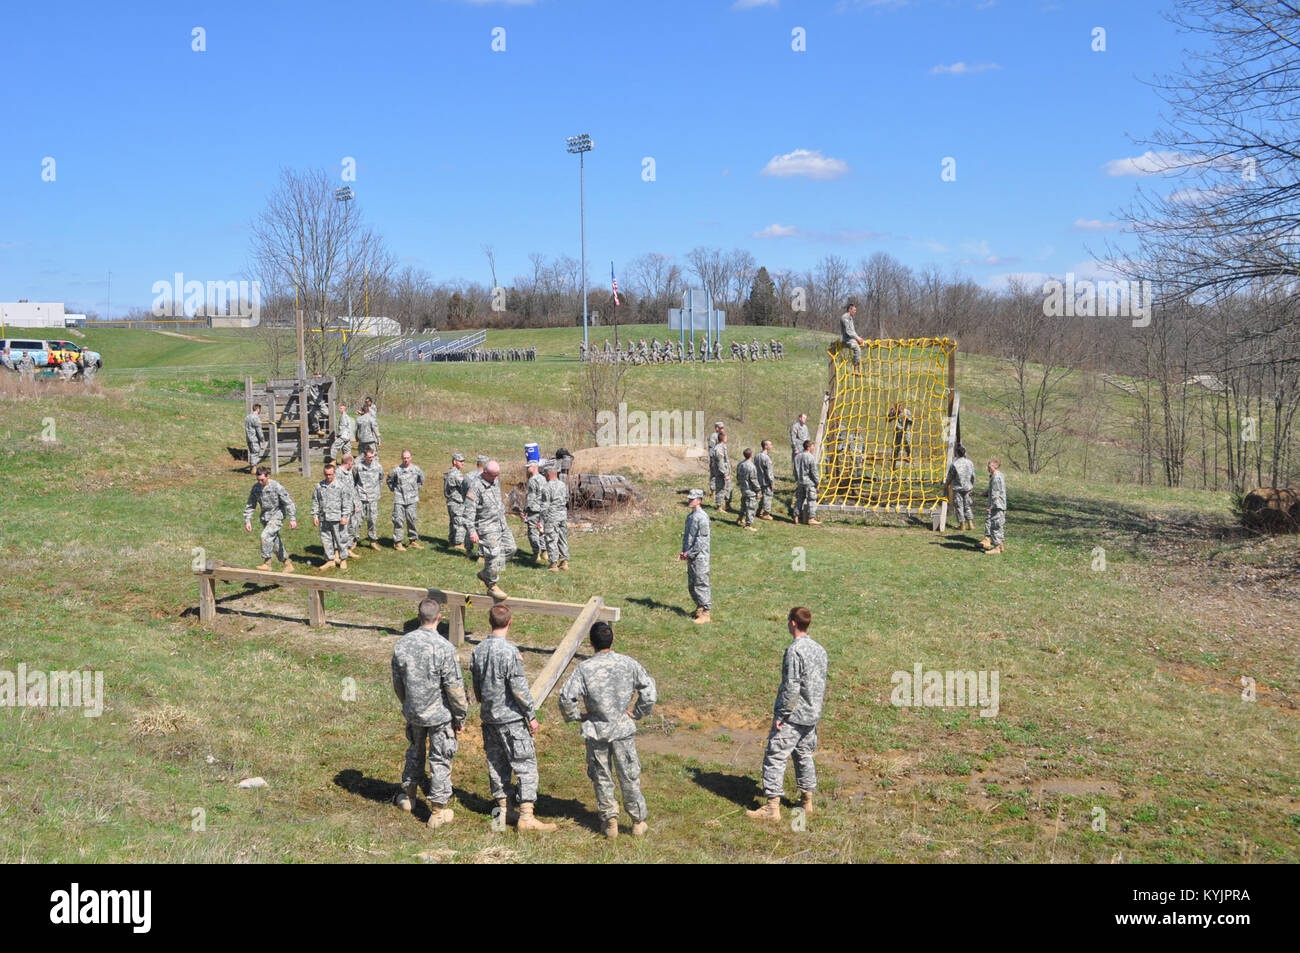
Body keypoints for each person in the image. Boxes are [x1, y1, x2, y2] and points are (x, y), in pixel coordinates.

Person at [558, 621, 657, 839]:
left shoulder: (584, 668)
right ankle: (638, 822)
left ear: (591, 643)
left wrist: (577, 716)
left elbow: (566, 697)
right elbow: (649, 692)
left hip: (597, 731)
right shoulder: (629, 664)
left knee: (602, 777)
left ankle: (610, 821)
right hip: (622, 730)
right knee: (629, 775)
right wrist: (638, 712)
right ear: (612, 640)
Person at [469, 604, 557, 832]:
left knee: (496, 767)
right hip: (511, 720)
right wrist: (531, 715)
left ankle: (501, 814)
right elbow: (519, 689)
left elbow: (476, 687)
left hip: (489, 719)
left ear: (490, 622)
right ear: (510, 622)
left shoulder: (478, 651)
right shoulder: (510, 652)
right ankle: (526, 817)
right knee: (525, 765)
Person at [392, 599, 469, 829]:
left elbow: (398, 682)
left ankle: (409, 797)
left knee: (414, 753)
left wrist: (407, 704)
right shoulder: (445, 648)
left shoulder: (402, 645)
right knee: (440, 758)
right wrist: (460, 716)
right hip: (440, 715)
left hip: (414, 711)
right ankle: (437, 811)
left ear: (418, 617)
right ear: (439, 618)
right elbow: (454, 688)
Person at [747, 607, 828, 822]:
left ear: (792, 622)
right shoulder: (820, 650)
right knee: (804, 756)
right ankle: (806, 801)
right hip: (812, 715)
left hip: (793, 716)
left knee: (775, 756)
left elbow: (791, 687)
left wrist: (781, 715)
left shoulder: (794, 651)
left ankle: (772, 808)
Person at [466, 460, 517, 600]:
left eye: (497, 475)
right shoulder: (475, 487)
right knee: (493, 555)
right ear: (485, 472)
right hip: (486, 526)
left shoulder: (495, 481)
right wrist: (472, 531)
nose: (495, 478)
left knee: (511, 549)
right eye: (493, 475)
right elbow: (468, 512)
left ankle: (486, 573)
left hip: (501, 523)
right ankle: (492, 584)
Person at [243, 466, 297, 571]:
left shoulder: (276, 486)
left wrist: (292, 518)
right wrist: (247, 520)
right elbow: (250, 504)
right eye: (258, 480)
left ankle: (267, 563)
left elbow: (288, 502)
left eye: (262, 480)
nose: (260, 482)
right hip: (265, 517)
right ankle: (288, 564)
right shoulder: (256, 488)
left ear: (268, 476)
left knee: (265, 536)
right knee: (275, 542)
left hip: (277, 515)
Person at [679, 489, 711, 623]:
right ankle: (699, 607)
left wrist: (689, 553)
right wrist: (684, 552)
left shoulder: (702, 517)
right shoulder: (691, 517)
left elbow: (701, 541)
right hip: (691, 556)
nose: (689, 501)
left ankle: (706, 612)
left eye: (692, 499)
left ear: (699, 500)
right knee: (692, 584)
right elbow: (688, 537)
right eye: (689, 499)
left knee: (701, 583)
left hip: (700, 557)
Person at [311, 461, 351, 571]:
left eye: (330, 474)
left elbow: (347, 503)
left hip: (338, 518)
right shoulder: (319, 486)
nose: (328, 476)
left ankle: (343, 559)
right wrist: (315, 515)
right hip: (324, 518)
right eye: (326, 474)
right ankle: (330, 560)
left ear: (334, 474)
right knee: (326, 540)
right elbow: (315, 501)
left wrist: (345, 516)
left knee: (340, 539)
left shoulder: (341, 486)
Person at [387, 450, 425, 552]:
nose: (406, 460)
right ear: (401, 458)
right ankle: (398, 543)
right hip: (399, 499)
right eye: (404, 458)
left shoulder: (416, 469)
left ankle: (413, 541)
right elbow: (389, 480)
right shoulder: (396, 470)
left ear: (411, 458)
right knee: (398, 520)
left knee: (412, 520)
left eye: (408, 458)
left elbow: (421, 479)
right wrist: (394, 490)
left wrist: (415, 490)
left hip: (412, 500)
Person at [459, 455, 491, 560]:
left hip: (469, 505)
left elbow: (462, 490)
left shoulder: (467, 476)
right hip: (482, 507)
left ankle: (468, 550)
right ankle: (482, 553)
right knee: (483, 529)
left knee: (470, 527)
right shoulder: (486, 477)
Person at [353, 446, 384, 550]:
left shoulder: (378, 467)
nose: (371, 458)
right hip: (360, 498)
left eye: (373, 456)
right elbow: (354, 480)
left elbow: (381, 479)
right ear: (364, 457)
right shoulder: (358, 467)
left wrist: (376, 492)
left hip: (372, 498)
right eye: (369, 457)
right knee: (357, 520)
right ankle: (354, 540)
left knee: (372, 520)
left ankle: (373, 541)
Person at [542, 461, 570, 571]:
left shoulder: (546, 487)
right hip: (562, 515)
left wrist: (542, 519)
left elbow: (545, 505)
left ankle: (553, 564)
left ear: (548, 474)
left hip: (551, 516)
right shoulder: (563, 485)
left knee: (551, 539)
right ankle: (564, 562)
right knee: (562, 538)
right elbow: (567, 499)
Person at [943, 443, 976, 531]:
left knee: (959, 506)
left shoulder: (955, 464)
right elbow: (973, 476)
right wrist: (971, 485)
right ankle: (971, 524)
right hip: (968, 488)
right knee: (967, 506)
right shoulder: (970, 463)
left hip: (958, 488)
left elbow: (950, 477)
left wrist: (946, 484)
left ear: (957, 453)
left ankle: (962, 525)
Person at [336, 452, 362, 560]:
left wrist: (355, 504)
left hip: (351, 506)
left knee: (350, 529)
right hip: (342, 507)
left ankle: (348, 549)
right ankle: (337, 553)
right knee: (341, 530)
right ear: (349, 462)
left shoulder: (349, 472)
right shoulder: (338, 473)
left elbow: (352, 489)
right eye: (352, 463)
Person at [523, 459, 547, 565]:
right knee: (542, 531)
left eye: (528, 467)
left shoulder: (533, 480)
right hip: (543, 509)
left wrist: (526, 509)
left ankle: (536, 554)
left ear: (534, 467)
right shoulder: (543, 478)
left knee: (533, 532)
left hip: (534, 509)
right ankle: (544, 551)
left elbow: (531, 496)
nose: (527, 469)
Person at [443, 452, 469, 551]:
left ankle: (452, 541)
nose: (462, 463)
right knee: (459, 522)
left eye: (463, 461)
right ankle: (458, 543)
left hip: (451, 501)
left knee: (453, 522)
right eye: (460, 461)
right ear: (454, 461)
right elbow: (465, 485)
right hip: (456, 502)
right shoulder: (455, 474)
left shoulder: (450, 472)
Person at [794, 439, 822, 525]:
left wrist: (797, 479)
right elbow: (813, 471)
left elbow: (795, 470)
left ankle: (796, 516)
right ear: (809, 447)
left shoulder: (797, 456)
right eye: (813, 446)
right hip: (809, 482)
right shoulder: (810, 457)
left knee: (799, 499)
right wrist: (817, 482)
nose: (814, 448)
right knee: (812, 500)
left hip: (800, 481)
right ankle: (811, 518)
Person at [982, 459, 1006, 555]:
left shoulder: (996, 477)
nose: (988, 468)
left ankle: (996, 548)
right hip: (1001, 505)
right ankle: (1001, 545)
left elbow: (996, 494)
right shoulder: (999, 475)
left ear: (995, 467)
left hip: (997, 506)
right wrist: (986, 493)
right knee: (999, 525)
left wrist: (991, 506)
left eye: (990, 466)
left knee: (995, 526)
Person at [735, 448, 760, 531]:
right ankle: (748, 524)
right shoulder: (751, 466)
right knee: (751, 507)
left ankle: (740, 518)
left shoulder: (740, 464)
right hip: (750, 489)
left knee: (743, 505)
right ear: (751, 455)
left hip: (743, 488)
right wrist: (758, 490)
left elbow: (737, 476)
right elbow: (753, 480)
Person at [709, 430, 732, 511]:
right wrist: (725, 474)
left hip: (726, 472)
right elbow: (720, 464)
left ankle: (727, 505)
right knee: (720, 489)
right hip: (721, 473)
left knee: (727, 489)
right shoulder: (718, 449)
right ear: (723, 438)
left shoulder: (723, 447)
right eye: (726, 437)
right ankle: (719, 507)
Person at [840, 299, 864, 375]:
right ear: (849, 309)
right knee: (857, 348)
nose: (855, 311)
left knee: (864, 344)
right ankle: (855, 369)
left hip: (852, 338)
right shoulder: (845, 317)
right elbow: (848, 331)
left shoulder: (850, 318)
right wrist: (857, 338)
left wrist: (858, 338)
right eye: (854, 310)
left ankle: (860, 364)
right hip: (847, 339)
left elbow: (853, 331)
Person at [755, 439, 776, 521]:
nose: (771, 446)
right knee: (768, 496)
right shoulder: (766, 458)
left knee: (763, 496)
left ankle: (758, 511)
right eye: (770, 445)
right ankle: (766, 513)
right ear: (766, 446)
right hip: (766, 480)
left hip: (759, 479)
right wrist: (772, 483)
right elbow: (769, 472)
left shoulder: (757, 456)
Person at [244, 404, 266, 472]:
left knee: (252, 453)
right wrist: (262, 439)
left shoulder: (247, 417)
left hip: (248, 438)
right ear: (258, 409)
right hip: (254, 438)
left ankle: (252, 468)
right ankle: (253, 469)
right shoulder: (256, 418)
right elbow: (258, 430)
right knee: (255, 453)